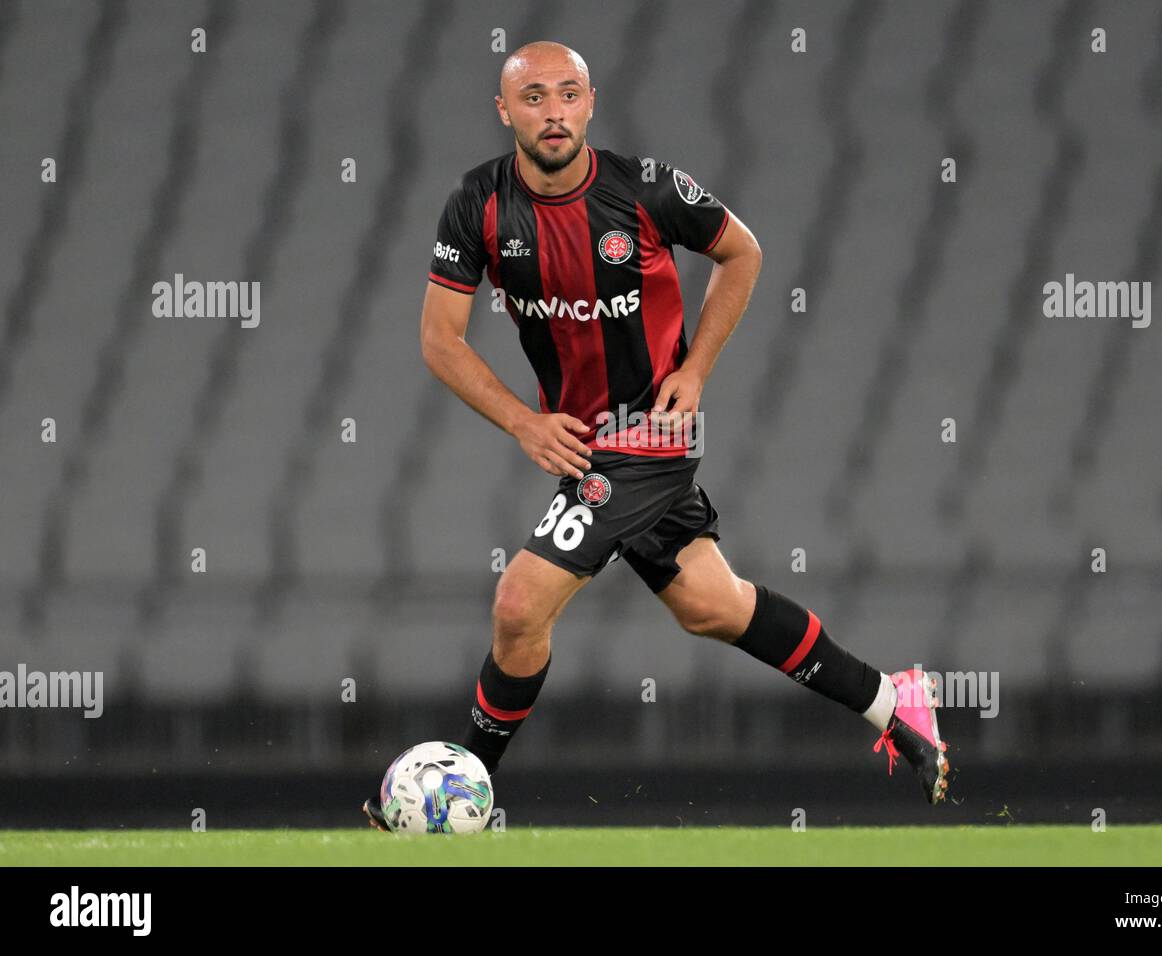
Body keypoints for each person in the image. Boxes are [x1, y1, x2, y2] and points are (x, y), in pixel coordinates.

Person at [365, 40, 950, 829]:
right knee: (711, 605)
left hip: (649, 434)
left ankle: (465, 789)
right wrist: (523, 421)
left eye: (568, 95)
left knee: (518, 602)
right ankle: (895, 704)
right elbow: (440, 340)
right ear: (504, 112)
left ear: (591, 102)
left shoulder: (643, 188)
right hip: (580, 443)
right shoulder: (477, 204)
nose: (554, 113)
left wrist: (697, 368)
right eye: (533, 98)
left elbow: (741, 252)